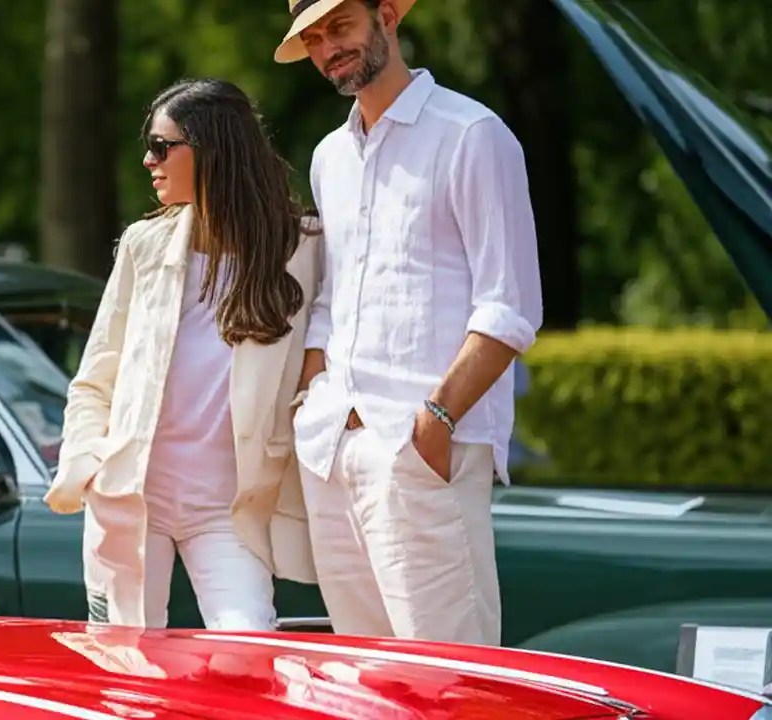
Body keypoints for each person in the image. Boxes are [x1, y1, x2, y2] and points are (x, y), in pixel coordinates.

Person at [273, 0, 544, 646]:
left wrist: (435, 423)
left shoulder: (473, 135)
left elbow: (510, 309)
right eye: (312, 38)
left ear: (388, 14)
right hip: (334, 449)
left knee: (453, 686)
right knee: (366, 685)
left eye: (340, 26)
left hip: (423, 453)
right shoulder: (330, 156)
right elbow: (332, 302)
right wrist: (313, 402)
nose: (327, 48)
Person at [43, 78, 321, 630]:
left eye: (162, 145)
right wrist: (89, 467)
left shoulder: (304, 250)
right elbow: (96, 378)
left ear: (213, 149)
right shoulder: (144, 246)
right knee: (125, 671)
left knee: (248, 655)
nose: (148, 160)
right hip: (130, 500)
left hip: (228, 511)